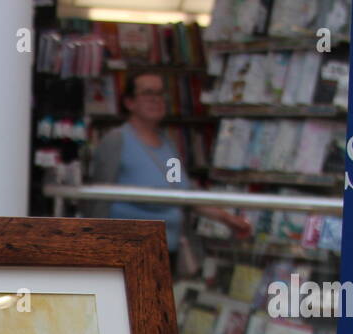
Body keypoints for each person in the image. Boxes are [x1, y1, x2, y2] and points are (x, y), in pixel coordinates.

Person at [89, 71, 252, 272]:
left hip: (167, 248)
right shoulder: (117, 141)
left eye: (160, 93)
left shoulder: (168, 145)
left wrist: (226, 218)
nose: (156, 100)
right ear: (130, 102)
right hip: (127, 251)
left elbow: (181, 191)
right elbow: (97, 199)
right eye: (148, 93)